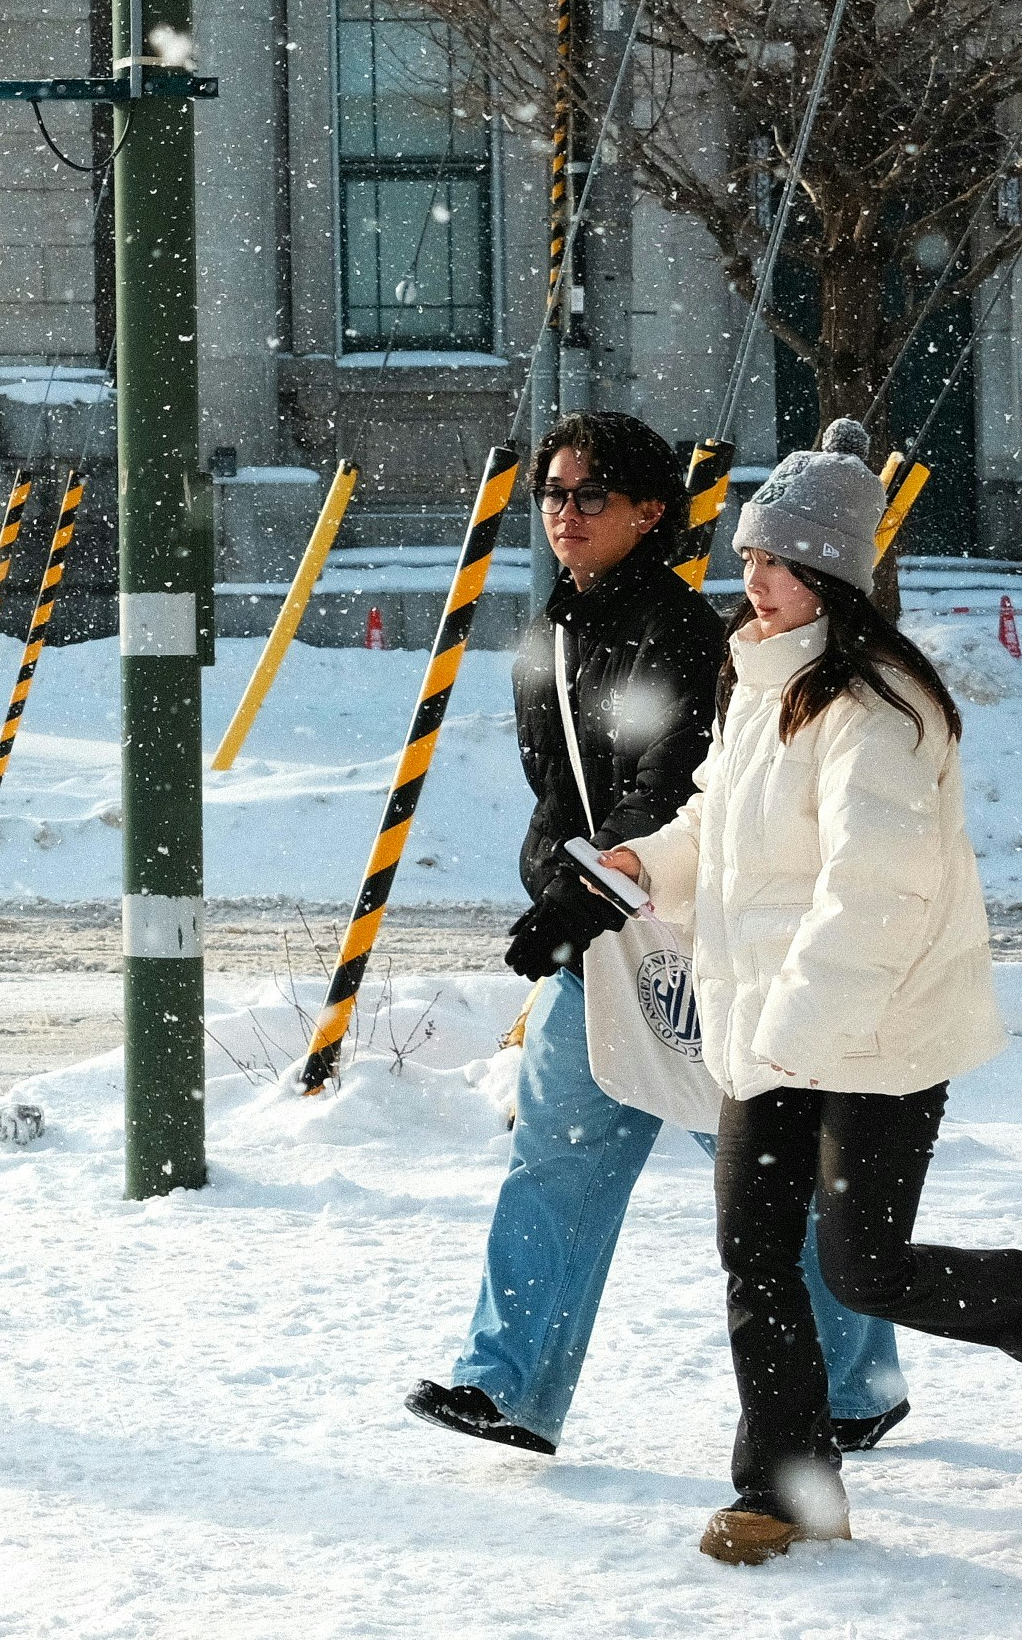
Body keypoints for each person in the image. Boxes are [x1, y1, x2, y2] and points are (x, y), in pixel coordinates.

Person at [602, 433, 1022, 1564]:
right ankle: (784, 1487)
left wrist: (794, 1025)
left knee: (861, 1266)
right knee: (752, 1258)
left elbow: (872, 897)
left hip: (878, 1034)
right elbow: (715, 822)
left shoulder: (879, 708)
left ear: (835, 577)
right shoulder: (759, 684)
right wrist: (654, 863)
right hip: (770, 1028)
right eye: (747, 557)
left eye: (780, 563)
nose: (752, 581)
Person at [407, 413, 905, 1461]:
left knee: (761, 1181)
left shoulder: (685, 636)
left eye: (590, 495)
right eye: (551, 491)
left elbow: (666, 792)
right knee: (550, 1160)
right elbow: (562, 793)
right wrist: (558, 888)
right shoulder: (541, 635)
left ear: (646, 512)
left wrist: (577, 893)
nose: (562, 512)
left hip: (683, 950)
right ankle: (507, 1386)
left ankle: (855, 1381)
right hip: (590, 945)